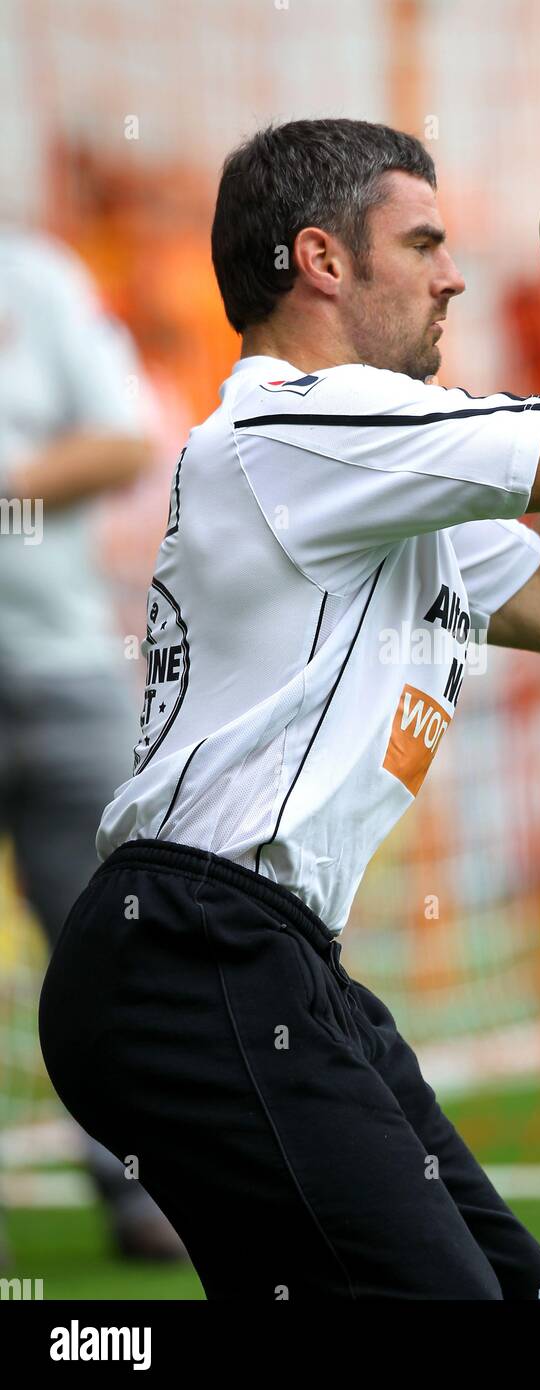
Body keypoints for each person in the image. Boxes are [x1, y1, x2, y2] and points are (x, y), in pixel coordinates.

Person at [38, 118, 540, 1299]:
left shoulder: (373, 462)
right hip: (196, 951)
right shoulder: (297, 422)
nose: (453, 274)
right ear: (320, 260)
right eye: (422, 243)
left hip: (260, 960)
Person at [0, 227, 186, 1260]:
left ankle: (140, 1188)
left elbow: (123, 439)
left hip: (63, 666)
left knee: (111, 940)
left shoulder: (36, 277)